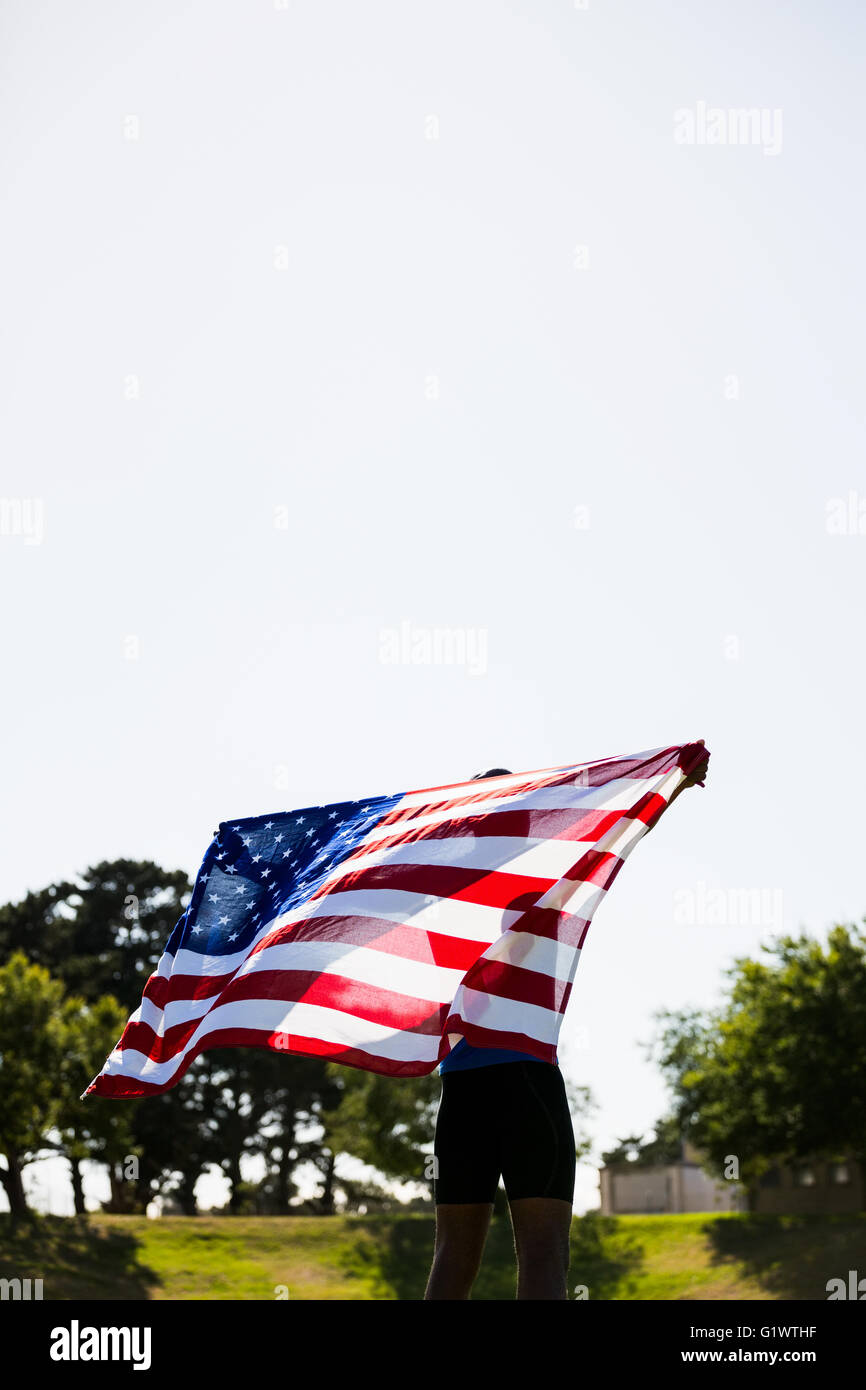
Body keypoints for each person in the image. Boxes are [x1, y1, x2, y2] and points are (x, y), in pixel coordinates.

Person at [423, 747, 710, 1300]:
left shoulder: (446, 898)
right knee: (544, 1250)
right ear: (533, 819)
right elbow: (620, 829)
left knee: (452, 1255)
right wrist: (673, 783)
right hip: (526, 1080)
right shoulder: (548, 877)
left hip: (461, 1091)